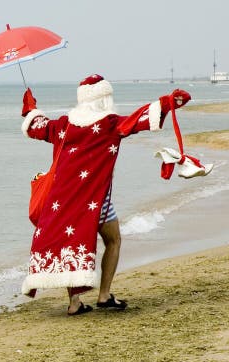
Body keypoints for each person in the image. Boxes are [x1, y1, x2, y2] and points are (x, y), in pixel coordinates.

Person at [20, 74, 191, 315]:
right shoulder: (109, 124)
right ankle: (104, 295)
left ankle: (74, 303)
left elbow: (39, 127)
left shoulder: (64, 125)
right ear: (104, 99)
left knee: (73, 242)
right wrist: (167, 103)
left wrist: (31, 108)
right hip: (96, 201)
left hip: (64, 202)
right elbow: (137, 120)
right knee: (114, 240)